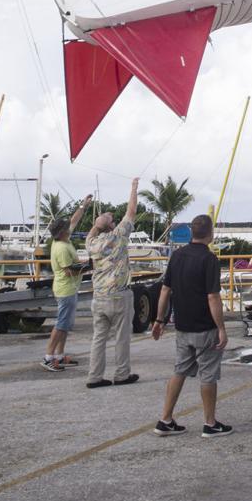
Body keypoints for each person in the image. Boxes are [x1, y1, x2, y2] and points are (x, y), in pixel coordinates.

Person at [151, 213, 233, 438]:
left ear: (191, 232)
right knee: (208, 374)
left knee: (180, 370)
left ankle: (165, 419)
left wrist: (159, 320)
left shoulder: (177, 256)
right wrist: (222, 328)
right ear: (211, 233)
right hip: (205, 326)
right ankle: (210, 423)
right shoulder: (209, 259)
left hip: (182, 325)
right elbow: (213, 297)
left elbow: (165, 290)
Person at [83, 177, 140, 389]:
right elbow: (131, 211)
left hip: (98, 297)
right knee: (121, 337)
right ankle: (122, 374)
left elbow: (93, 232)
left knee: (98, 338)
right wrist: (134, 188)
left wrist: (98, 224)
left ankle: (94, 376)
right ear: (111, 226)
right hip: (118, 295)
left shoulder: (92, 243)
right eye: (110, 218)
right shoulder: (118, 237)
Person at [41, 194, 92, 371]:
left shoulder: (62, 239)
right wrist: (89, 265)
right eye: (66, 228)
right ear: (62, 232)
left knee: (66, 324)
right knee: (61, 324)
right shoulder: (62, 248)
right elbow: (69, 270)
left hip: (69, 288)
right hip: (66, 289)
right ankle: (48, 356)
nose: (70, 228)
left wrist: (83, 205)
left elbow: (73, 220)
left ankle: (60, 355)